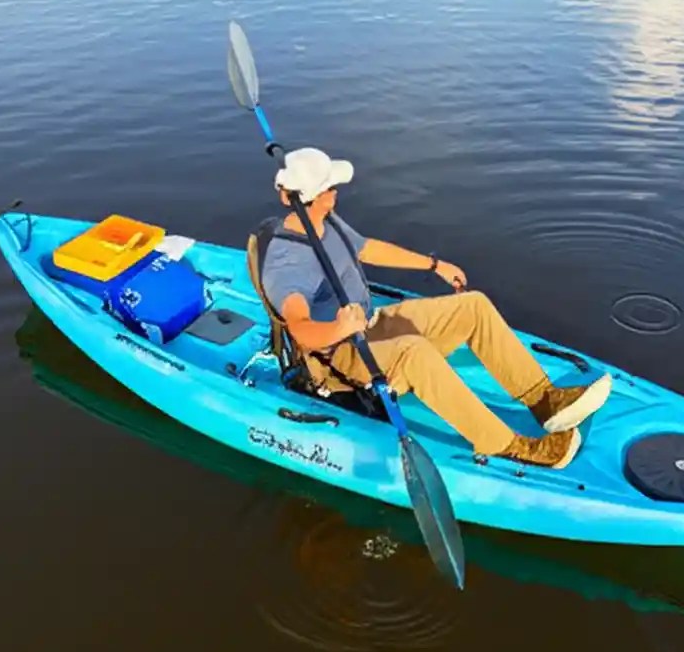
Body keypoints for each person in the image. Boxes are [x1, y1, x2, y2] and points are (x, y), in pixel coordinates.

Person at [256, 147, 611, 468]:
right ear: (316, 197)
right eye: (330, 188)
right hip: (340, 355)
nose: (335, 194)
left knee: (473, 306)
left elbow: (365, 249)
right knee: (414, 352)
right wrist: (339, 328)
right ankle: (506, 444)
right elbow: (300, 328)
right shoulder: (288, 262)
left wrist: (433, 265)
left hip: (371, 322)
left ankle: (544, 400)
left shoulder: (323, 220)